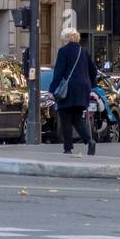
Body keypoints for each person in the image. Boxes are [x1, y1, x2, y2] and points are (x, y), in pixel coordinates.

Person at [50, 27, 95, 155]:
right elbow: (93, 71)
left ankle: (68, 148)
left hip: (69, 89)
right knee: (76, 117)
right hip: (83, 88)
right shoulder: (84, 51)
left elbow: (59, 72)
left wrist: (51, 90)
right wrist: (91, 86)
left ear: (65, 38)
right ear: (76, 38)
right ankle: (89, 140)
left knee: (65, 116)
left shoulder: (63, 51)